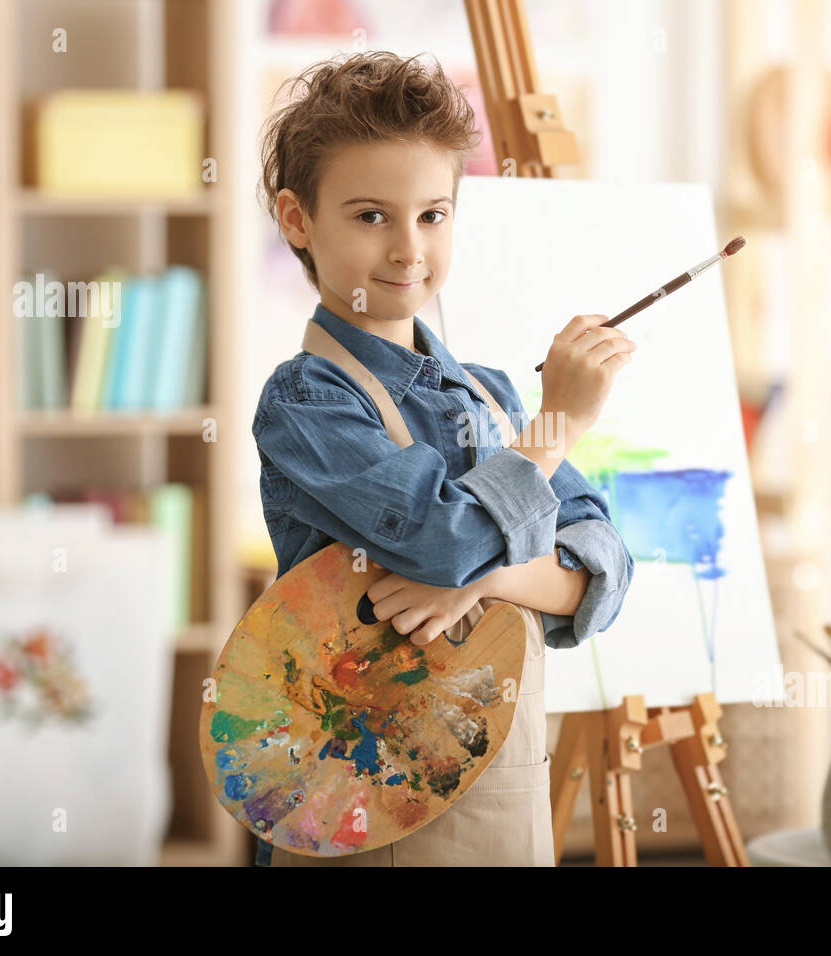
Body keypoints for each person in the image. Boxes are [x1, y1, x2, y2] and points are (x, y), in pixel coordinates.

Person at [251, 50, 635, 866]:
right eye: (369, 216)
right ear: (296, 220)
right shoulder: (309, 404)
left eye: (432, 215)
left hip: (507, 816)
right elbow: (443, 539)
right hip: (359, 810)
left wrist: (483, 578)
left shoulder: (490, 398)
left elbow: (602, 570)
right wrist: (558, 427)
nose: (407, 250)